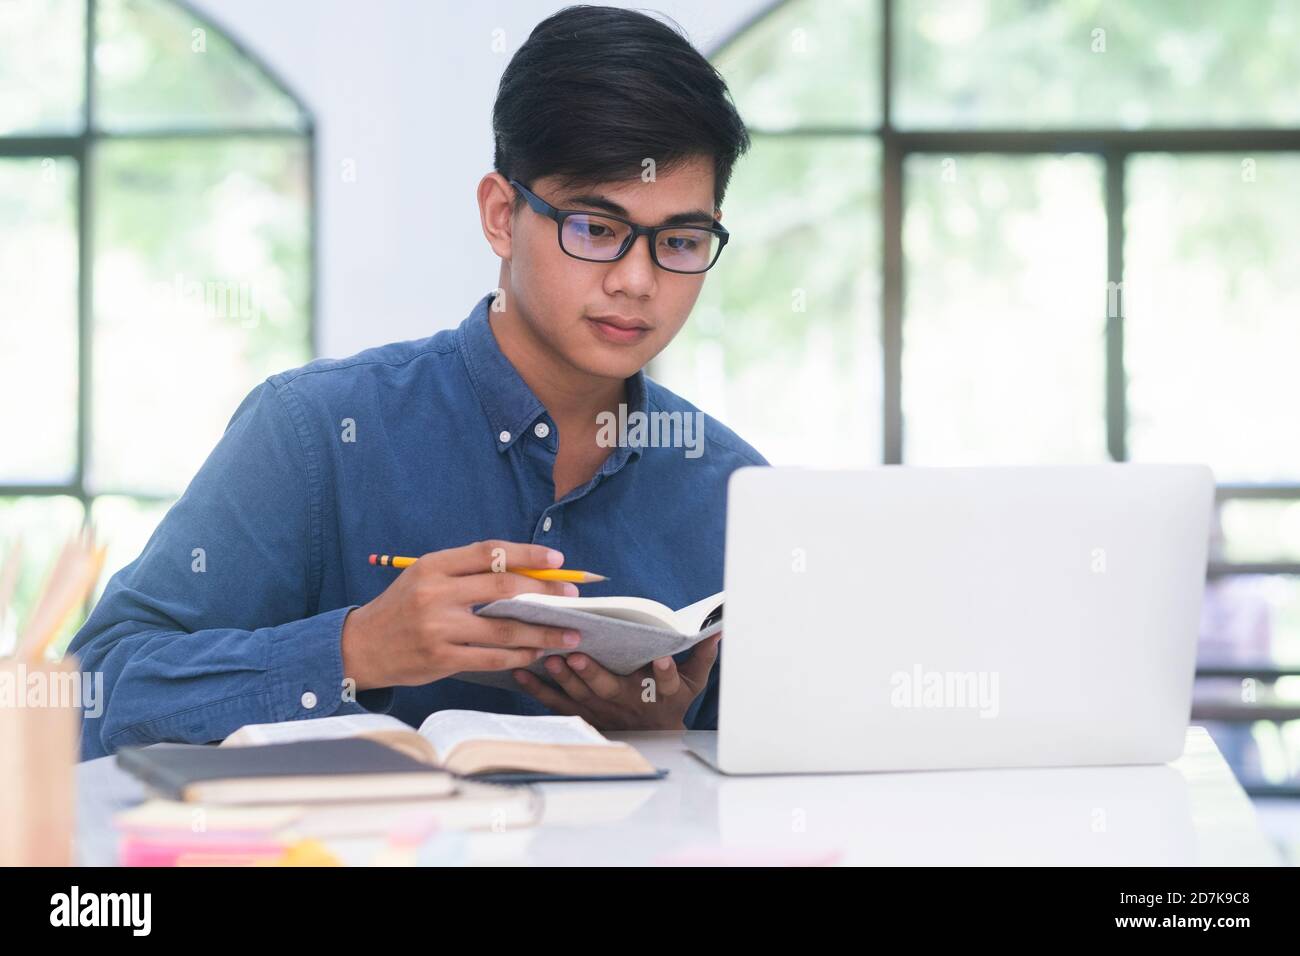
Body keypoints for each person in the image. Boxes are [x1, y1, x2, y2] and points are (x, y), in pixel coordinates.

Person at [69, 5, 766, 760]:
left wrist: (667, 735)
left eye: (681, 241)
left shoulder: (736, 492)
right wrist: (355, 649)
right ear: (502, 215)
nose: (638, 281)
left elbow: (791, 779)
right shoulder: (314, 431)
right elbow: (94, 693)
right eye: (597, 229)